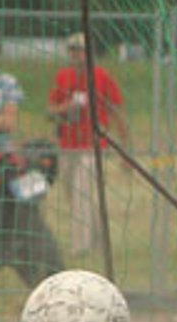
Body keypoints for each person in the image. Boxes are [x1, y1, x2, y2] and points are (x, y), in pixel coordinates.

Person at [47, 33, 128, 254]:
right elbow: (50, 110)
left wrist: (124, 148)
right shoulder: (63, 77)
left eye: (81, 50)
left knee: (82, 191)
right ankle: (100, 241)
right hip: (68, 144)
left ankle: (80, 247)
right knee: (74, 195)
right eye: (73, 50)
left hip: (93, 146)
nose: (77, 55)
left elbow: (117, 111)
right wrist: (66, 108)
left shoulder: (102, 77)